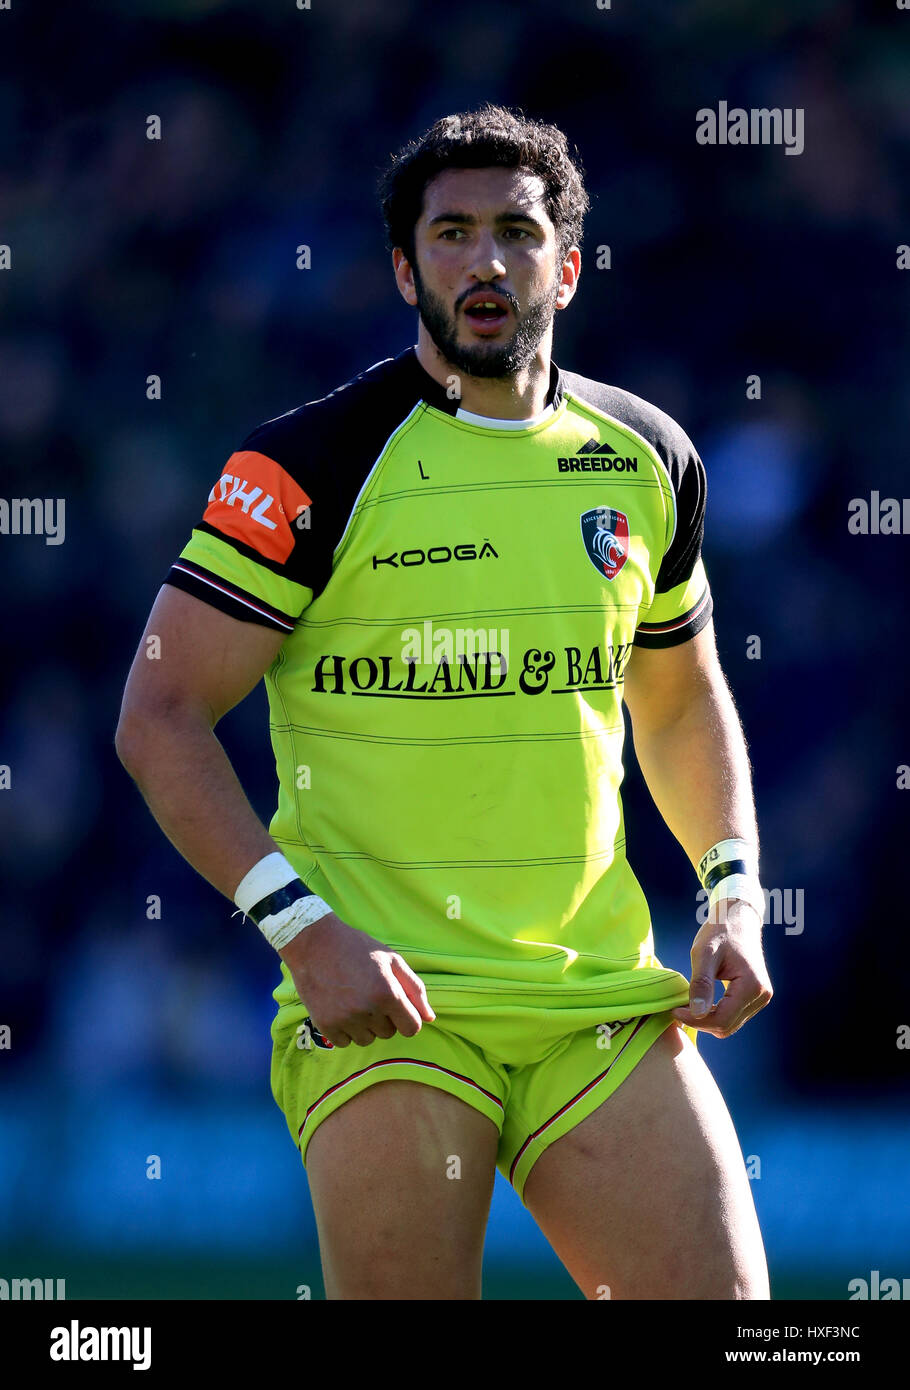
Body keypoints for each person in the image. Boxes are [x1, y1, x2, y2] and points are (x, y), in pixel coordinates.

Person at [116, 104, 773, 1301]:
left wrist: (732, 889)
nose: (486, 261)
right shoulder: (307, 463)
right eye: (453, 233)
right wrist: (302, 930)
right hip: (392, 1012)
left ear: (565, 269)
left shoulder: (645, 454)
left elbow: (677, 702)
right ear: (404, 267)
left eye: (516, 233)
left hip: (595, 999)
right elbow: (157, 717)